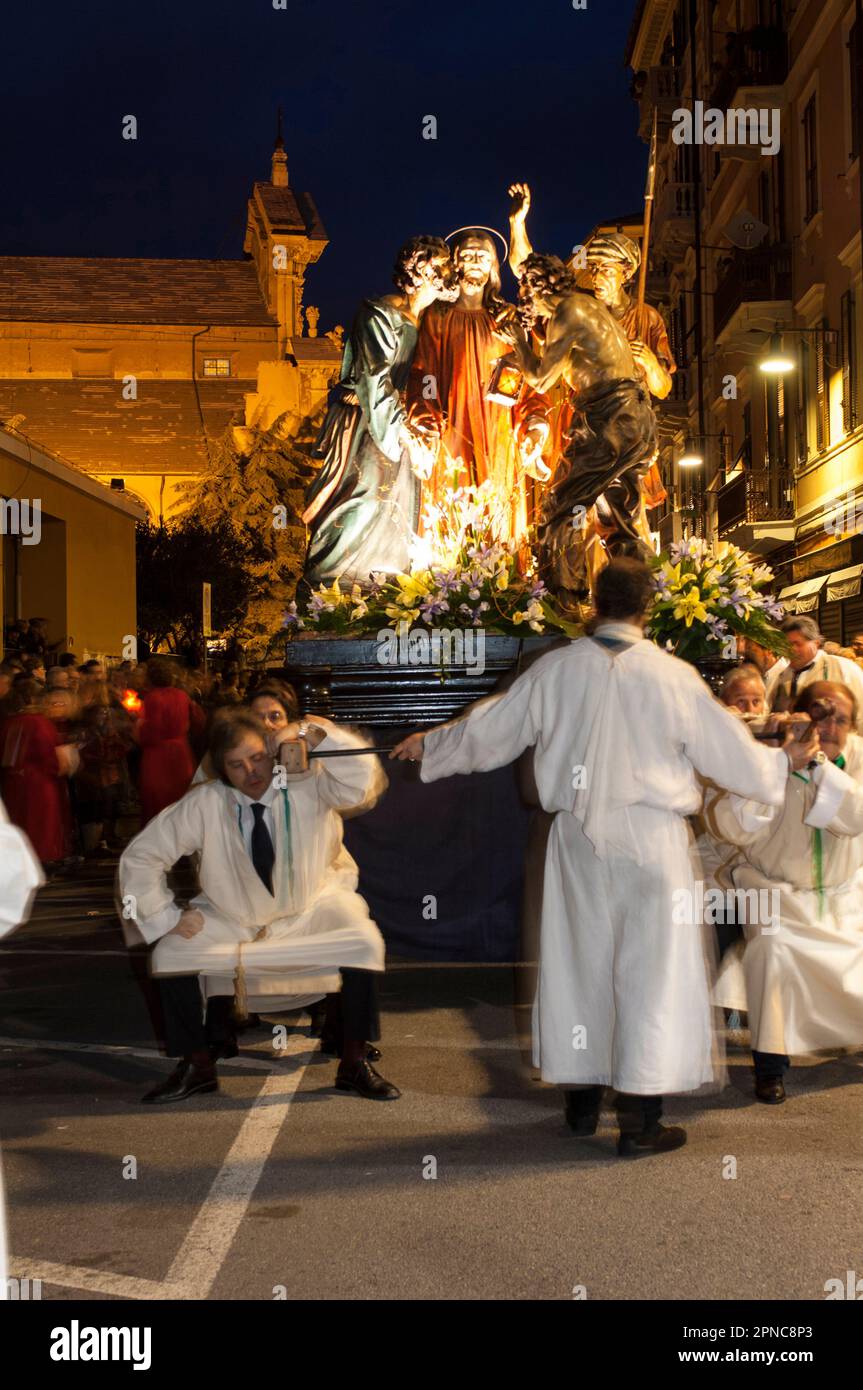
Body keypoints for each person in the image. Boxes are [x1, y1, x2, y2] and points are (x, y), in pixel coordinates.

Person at [390, 558, 813, 1156]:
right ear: (648, 607)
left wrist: (430, 745)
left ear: (594, 601)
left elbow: (494, 729)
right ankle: (640, 1119)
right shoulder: (674, 676)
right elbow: (731, 755)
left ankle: (581, 1103)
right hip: (653, 842)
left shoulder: (557, 670)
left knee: (576, 963)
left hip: (576, 844)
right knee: (652, 972)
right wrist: (782, 763)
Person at [119, 709, 397, 1103]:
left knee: (364, 943)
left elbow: (361, 782)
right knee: (170, 953)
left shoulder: (309, 784)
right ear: (221, 769)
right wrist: (165, 916)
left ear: (272, 751)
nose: (251, 771)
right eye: (236, 764)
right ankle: (197, 1066)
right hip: (233, 917)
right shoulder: (205, 802)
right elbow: (143, 856)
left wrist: (312, 732)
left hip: (310, 909)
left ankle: (353, 1063)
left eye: (257, 757)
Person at [710, 681, 863, 1103]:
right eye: (820, 713)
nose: (829, 725)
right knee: (771, 950)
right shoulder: (767, 759)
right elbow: (732, 825)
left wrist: (818, 767)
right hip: (772, 889)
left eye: (841, 719)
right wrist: (780, 764)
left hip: (842, 892)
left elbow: (854, 818)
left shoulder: (859, 758)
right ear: (798, 715)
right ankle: (770, 1064)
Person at [503, 254, 657, 616]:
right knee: (619, 519)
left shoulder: (566, 311)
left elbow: (541, 378)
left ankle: (563, 604)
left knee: (560, 507)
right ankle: (650, 603)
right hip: (634, 417)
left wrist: (519, 343)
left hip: (609, 418)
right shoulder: (588, 306)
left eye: (524, 289)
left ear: (533, 288)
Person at [302, 236, 459, 589]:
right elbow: (374, 377)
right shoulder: (382, 312)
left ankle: (384, 584)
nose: (452, 272)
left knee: (398, 502)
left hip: (402, 427)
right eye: (443, 265)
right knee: (366, 495)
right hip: (368, 424)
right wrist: (403, 430)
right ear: (420, 270)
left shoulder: (429, 322)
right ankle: (331, 585)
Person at [247, 682, 385, 1064]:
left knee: (357, 932)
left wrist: (317, 734)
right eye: (258, 717)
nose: (268, 725)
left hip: (320, 888)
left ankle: (349, 1043)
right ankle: (206, 1046)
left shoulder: (315, 764)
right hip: (253, 892)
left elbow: (361, 783)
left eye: (276, 717)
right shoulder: (230, 765)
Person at [406, 226, 547, 543]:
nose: (474, 262)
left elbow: (530, 380)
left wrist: (535, 425)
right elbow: (424, 373)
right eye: (466, 256)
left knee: (496, 510)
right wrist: (427, 423)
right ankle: (448, 584)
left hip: (496, 433)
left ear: (494, 266)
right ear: (454, 265)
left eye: (483, 257)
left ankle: (498, 583)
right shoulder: (436, 317)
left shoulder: (508, 319)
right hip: (450, 429)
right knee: (450, 505)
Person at [0, 682, 77, 871]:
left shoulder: (9, 722)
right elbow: (47, 753)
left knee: (19, 819)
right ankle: (43, 858)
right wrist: (62, 766)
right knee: (41, 823)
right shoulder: (39, 722)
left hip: (13, 780)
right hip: (39, 781)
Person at [767, 616, 863, 732]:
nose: (791, 649)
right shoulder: (781, 676)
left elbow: (859, 715)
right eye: (787, 645)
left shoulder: (843, 668)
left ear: (816, 643)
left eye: (797, 644)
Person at [135, 658, 201, 824]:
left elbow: (149, 732)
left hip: (157, 755)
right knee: (179, 795)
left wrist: (136, 727)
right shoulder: (182, 695)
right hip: (181, 752)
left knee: (157, 800)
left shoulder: (152, 698)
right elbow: (198, 722)